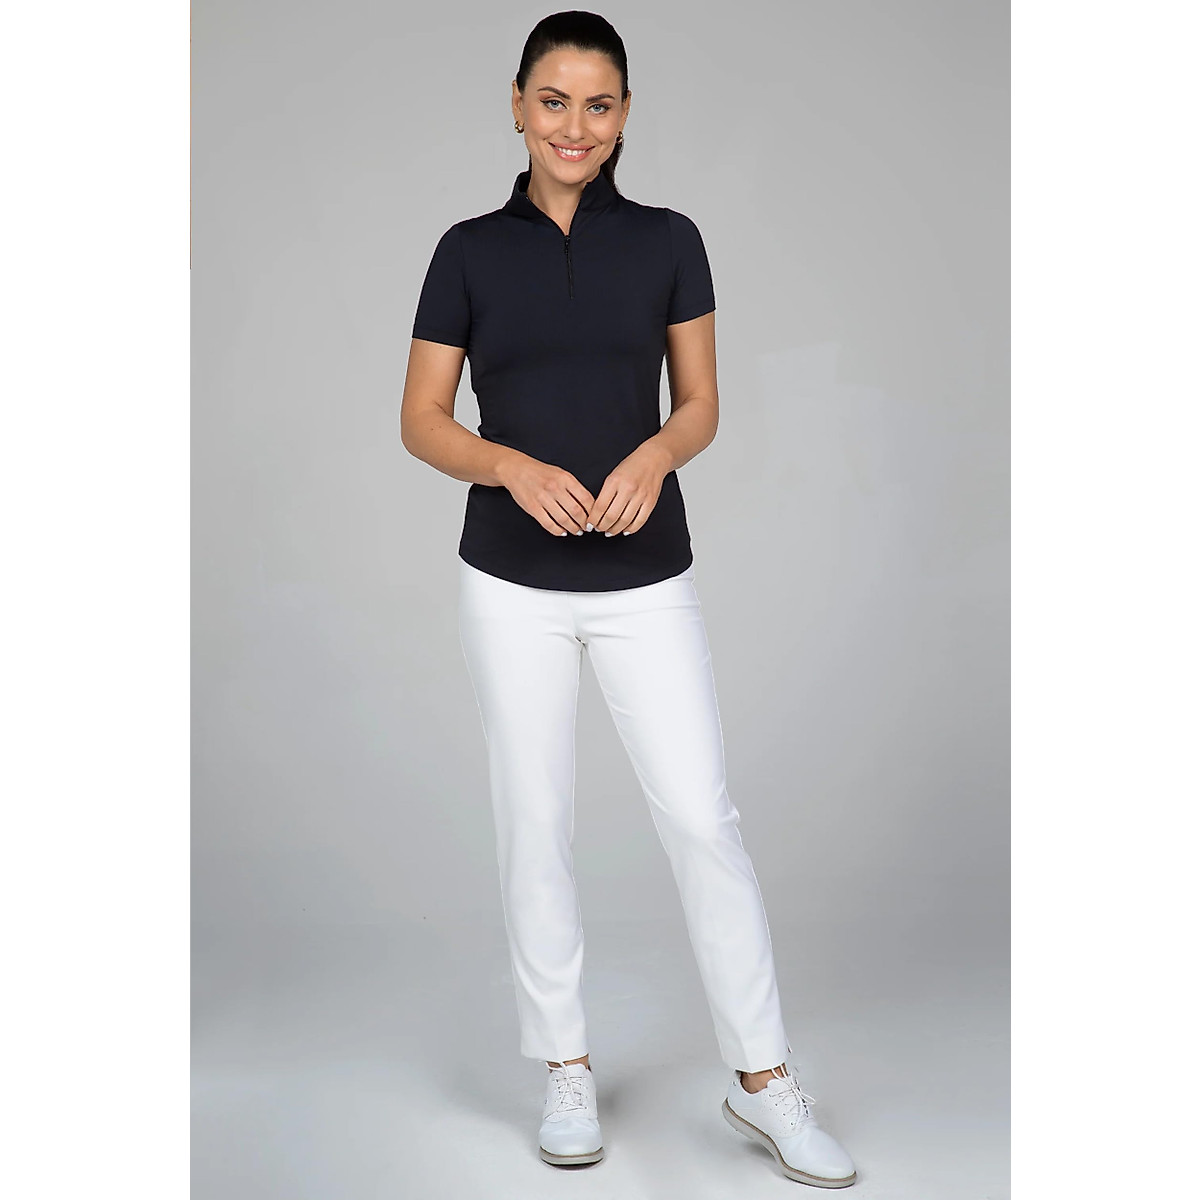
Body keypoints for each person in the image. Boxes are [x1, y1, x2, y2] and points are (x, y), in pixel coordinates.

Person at [400, 10, 857, 1188]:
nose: (575, 125)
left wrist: (657, 454)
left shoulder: (668, 240)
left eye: (598, 104)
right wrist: (510, 467)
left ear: (625, 115)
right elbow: (422, 421)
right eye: (553, 101)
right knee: (534, 820)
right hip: (508, 580)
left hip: (647, 575)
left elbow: (699, 403)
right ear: (517, 107)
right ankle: (565, 1065)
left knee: (702, 817)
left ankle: (764, 1081)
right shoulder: (466, 251)